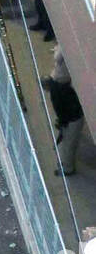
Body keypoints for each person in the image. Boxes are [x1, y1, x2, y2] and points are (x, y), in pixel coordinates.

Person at [44, 48, 84, 177]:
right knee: (68, 142)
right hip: (71, 117)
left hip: (73, 119)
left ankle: (68, 168)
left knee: (69, 144)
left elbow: (63, 110)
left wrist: (62, 122)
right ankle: (67, 165)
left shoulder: (60, 92)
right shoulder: (62, 88)